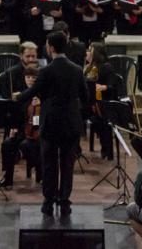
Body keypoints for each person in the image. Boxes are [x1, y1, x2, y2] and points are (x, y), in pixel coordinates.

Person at [16, 30, 88, 216]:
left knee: (49, 164)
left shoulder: (46, 71)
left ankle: (48, 201)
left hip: (50, 123)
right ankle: (64, 201)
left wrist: (17, 97)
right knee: (67, 164)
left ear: (51, 47)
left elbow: (33, 92)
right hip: (71, 123)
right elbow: (86, 98)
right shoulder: (77, 70)